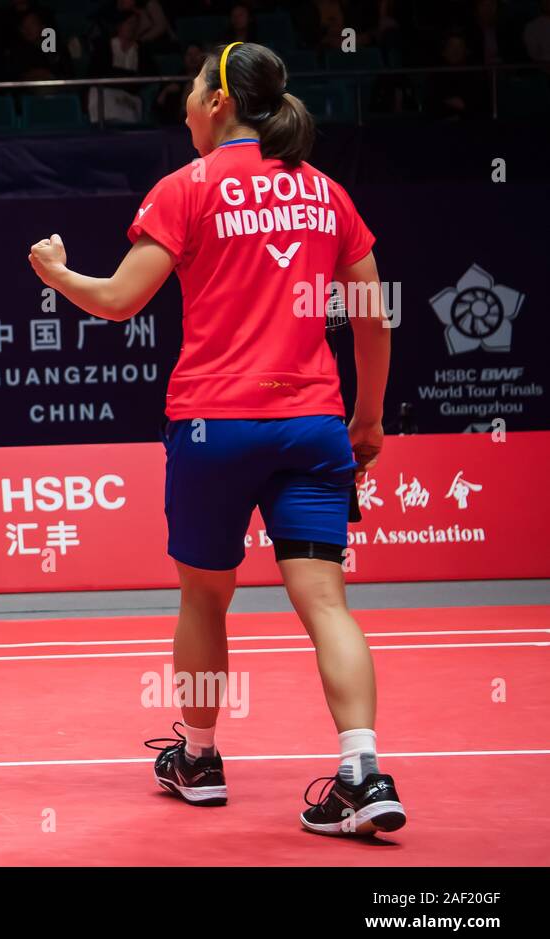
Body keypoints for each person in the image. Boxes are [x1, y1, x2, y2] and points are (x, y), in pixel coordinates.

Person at [28, 41, 405, 837]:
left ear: (219, 103)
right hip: (312, 426)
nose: (187, 106)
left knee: (204, 595)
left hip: (214, 425)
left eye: (193, 93)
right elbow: (373, 318)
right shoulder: (326, 195)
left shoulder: (185, 188)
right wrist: (367, 420)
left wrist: (58, 275)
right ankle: (364, 773)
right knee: (327, 602)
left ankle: (198, 760)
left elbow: (122, 301)